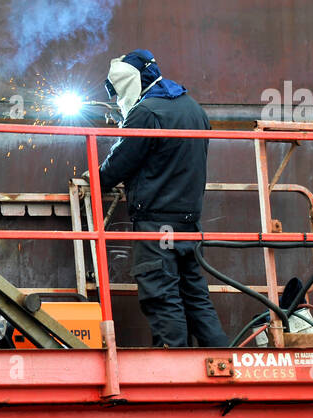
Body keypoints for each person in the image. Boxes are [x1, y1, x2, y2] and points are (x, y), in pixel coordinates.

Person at [97, 50, 229, 348]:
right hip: (188, 225)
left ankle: (174, 373)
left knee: (162, 295)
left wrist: (94, 179)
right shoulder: (193, 108)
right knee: (195, 297)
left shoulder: (147, 112)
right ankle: (224, 364)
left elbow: (119, 163)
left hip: (157, 227)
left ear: (128, 83)